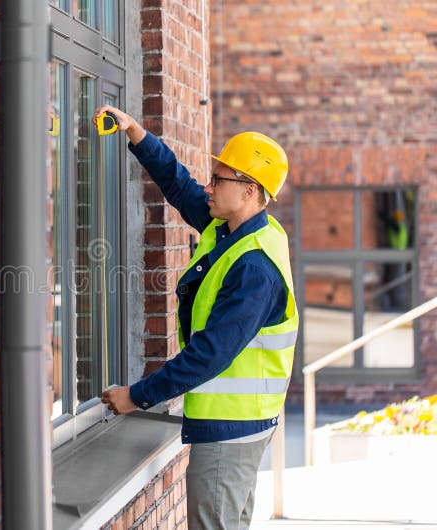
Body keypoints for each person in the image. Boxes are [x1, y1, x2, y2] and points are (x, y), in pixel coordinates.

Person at [96, 105, 298, 530]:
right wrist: (136, 133)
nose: (208, 187)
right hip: (241, 422)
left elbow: (209, 355)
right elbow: (177, 183)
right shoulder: (231, 228)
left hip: (232, 431)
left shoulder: (254, 268)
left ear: (248, 190)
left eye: (219, 179)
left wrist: (137, 395)